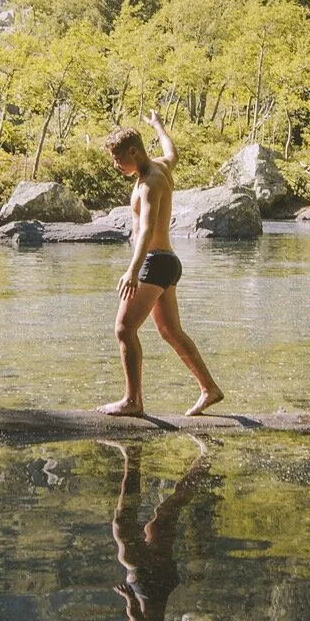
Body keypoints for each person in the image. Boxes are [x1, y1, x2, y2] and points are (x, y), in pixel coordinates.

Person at [97, 113, 224, 417]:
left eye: (118, 159)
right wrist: (158, 126)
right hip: (168, 262)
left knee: (124, 329)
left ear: (132, 152)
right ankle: (210, 389)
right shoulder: (160, 167)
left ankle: (133, 401)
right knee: (170, 331)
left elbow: (146, 231)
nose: (116, 166)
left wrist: (131, 270)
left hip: (154, 263)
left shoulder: (149, 184)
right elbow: (172, 152)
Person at [97, 440, 206, 621]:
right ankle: (132, 457)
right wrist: (129, 600)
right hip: (147, 587)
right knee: (123, 525)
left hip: (158, 585)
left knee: (164, 518)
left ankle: (204, 462)